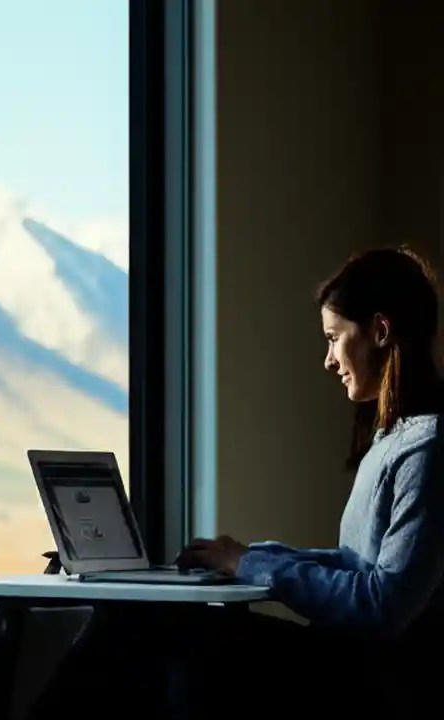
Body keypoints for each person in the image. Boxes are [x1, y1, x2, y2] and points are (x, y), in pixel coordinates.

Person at [33, 246, 444, 719]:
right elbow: (360, 565)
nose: (329, 359)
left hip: (365, 680)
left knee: (145, 630)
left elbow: (383, 605)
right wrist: (247, 557)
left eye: (334, 337)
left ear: (380, 331)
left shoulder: (428, 450)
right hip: (345, 664)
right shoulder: (395, 437)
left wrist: (250, 563)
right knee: (137, 625)